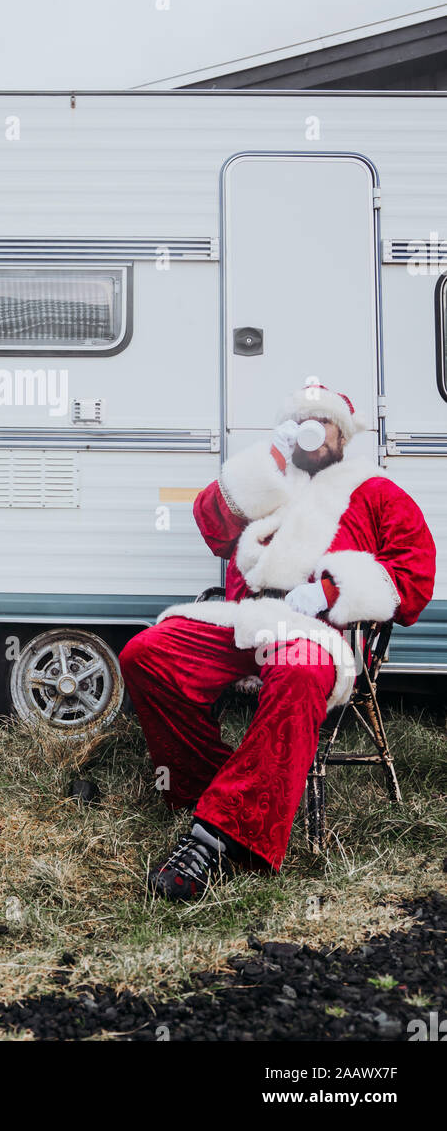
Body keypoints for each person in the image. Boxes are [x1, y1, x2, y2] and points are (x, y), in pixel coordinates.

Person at [119, 382, 436, 901]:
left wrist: (332, 592)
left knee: (300, 671)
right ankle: (217, 787)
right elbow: (210, 524)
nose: (313, 431)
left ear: (343, 432)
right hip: (249, 618)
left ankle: (216, 837)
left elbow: (414, 576)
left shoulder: (376, 491)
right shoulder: (270, 480)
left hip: (321, 631)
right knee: (147, 653)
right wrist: (267, 453)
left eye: (323, 421)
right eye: (303, 421)